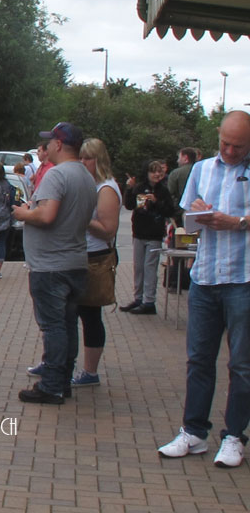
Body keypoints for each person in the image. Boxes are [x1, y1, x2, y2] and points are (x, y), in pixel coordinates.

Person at [157, 110, 250, 469]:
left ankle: (234, 435)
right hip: (205, 276)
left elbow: (238, 221)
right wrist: (196, 213)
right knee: (198, 359)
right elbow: (186, 224)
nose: (228, 151)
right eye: (224, 143)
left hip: (243, 278)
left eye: (237, 146)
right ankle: (193, 432)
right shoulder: (202, 169)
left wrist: (238, 222)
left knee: (241, 364)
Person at [11, 122, 96, 404]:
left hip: (51, 266)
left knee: (53, 327)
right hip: (74, 262)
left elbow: (47, 216)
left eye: (49, 142)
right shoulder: (85, 175)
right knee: (68, 324)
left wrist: (24, 214)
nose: (45, 147)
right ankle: (62, 381)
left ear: (59, 145)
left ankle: (52, 386)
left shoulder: (57, 175)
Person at [71, 138, 121, 388]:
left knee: (90, 314)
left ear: (98, 160)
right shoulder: (93, 186)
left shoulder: (107, 189)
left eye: (87, 159)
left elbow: (108, 229)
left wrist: (81, 218)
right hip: (83, 254)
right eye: (80, 158)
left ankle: (90, 371)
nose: (82, 163)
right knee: (80, 312)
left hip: (96, 257)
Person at [121, 160, 175, 315]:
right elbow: (130, 205)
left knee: (149, 267)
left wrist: (156, 202)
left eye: (159, 171)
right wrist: (130, 189)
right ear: (147, 173)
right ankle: (138, 298)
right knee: (138, 267)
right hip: (139, 232)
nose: (157, 174)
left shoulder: (163, 190)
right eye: (153, 171)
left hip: (154, 234)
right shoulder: (139, 188)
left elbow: (169, 210)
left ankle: (149, 301)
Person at [168, 147, 201, 225]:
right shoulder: (203, 171)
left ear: (185, 158)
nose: (177, 161)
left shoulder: (176, 173)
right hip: (201, 211)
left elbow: (170, 193)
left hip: (181, 212)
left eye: (179, 158)